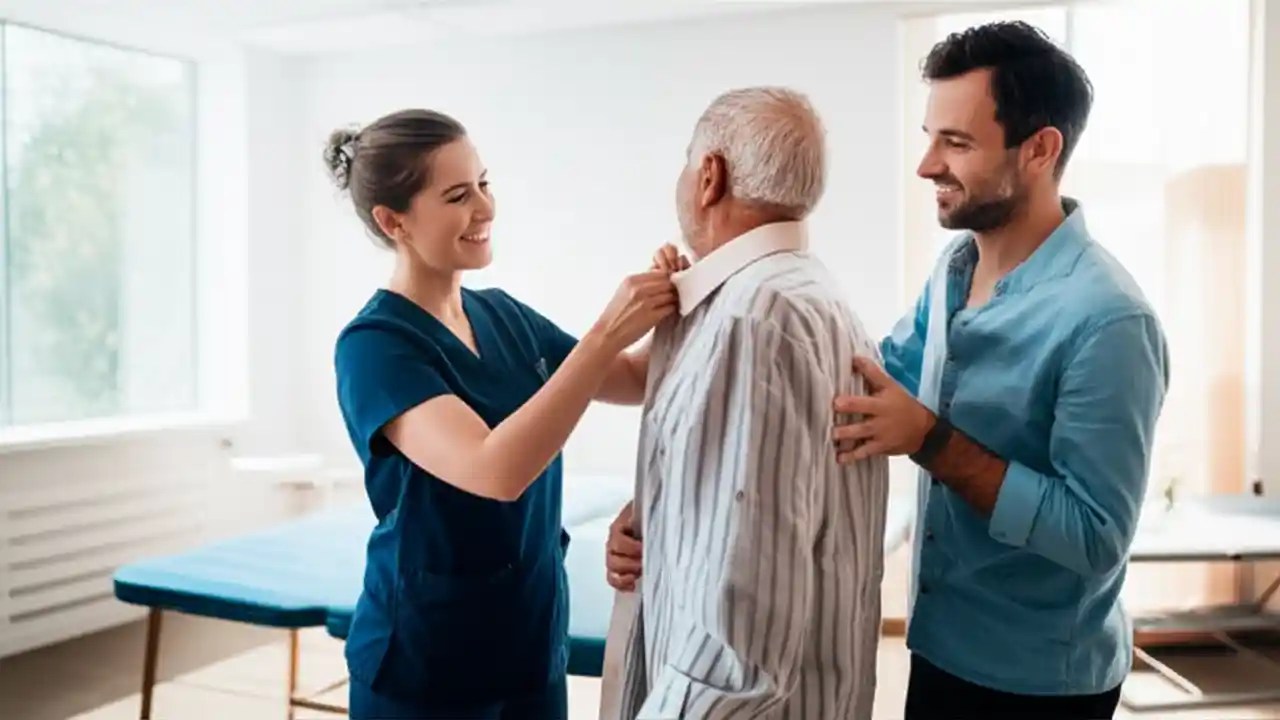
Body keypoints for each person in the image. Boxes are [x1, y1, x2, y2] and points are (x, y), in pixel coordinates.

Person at [829, 21, 1169, 720]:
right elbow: (866, 385)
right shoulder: (955, 271)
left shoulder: (1109, 320)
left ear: (1040, 149)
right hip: (941, 645)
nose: (926, 165)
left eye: (956, 143)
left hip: (1038, 684)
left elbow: (1094, 536)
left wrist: (928, 438)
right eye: (930, 137)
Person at [327, 108, 681, 719]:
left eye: (485, 184)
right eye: (458, 196)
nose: (486, 208)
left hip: (529, 639)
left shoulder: (503, 316)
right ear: (394, 222)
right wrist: (604, 333)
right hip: (427, 661)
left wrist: (688, 300)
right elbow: (495, 470)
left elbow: (630, 376)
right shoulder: (376, 346)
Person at [599, 87, 890, 720]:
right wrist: (659, 510)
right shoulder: (808, 299)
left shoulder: (754, 317)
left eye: (686, 161)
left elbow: (739, 627)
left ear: (710, 176)